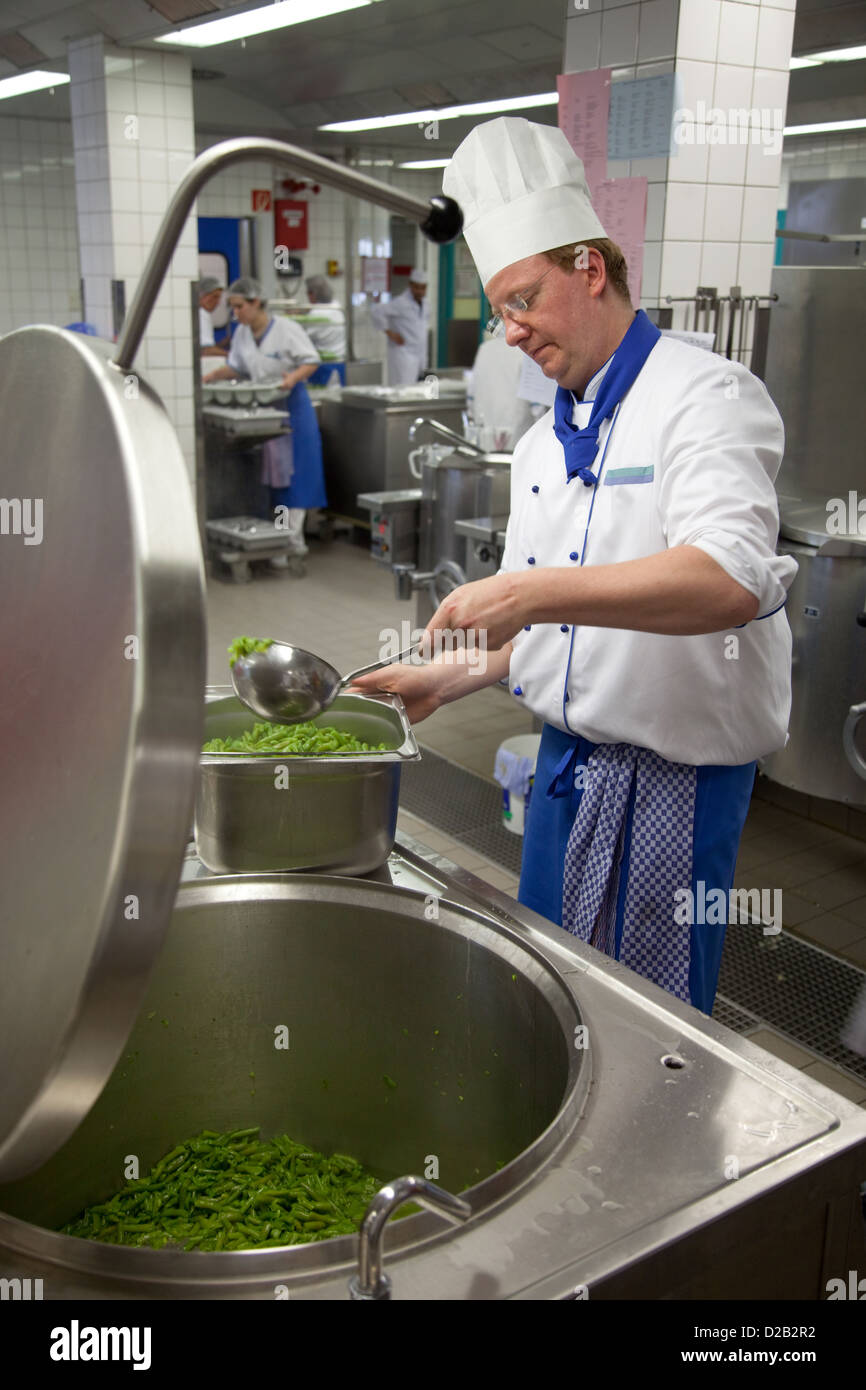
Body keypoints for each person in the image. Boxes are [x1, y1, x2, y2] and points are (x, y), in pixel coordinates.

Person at [351, 117, 796, 1015]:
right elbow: (562, 629)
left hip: (673, 782)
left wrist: (524, 591)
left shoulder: (704, 396)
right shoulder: (546, 438)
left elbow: (729, 579)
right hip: (562, 772)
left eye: (522, 300)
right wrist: (456, 675)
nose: (509, 331)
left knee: (650, 1025)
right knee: (556, 1003)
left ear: (590, 267)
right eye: (501, 307)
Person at [203, 277, 327, 570]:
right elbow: (236, 367)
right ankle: (275, 538)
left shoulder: (286, 330)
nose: (236, 313)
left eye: (239, 306)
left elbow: (312, 360)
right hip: (263, 410)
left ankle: (292, 543)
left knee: (294, 480)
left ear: (256, 302)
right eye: (232, 308)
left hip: (292, 410)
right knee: (273, 477)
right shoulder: (242, 334)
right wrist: (209, 378)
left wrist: (292, 379)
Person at [369, 267, 429, 386]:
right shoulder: (401, 303)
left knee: (416, 391)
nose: (420, 291)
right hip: (403, 355)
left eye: (423, 288)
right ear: (410, 285)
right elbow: (376, 311)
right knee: (401, 389)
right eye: (417, 287)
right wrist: (390, 333)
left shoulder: (426, 304)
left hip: (419, 355)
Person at [300, 275, 347, 384]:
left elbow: (303, 337)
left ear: (313, 294)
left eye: (308, 293)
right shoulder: (337, 306)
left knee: (322, 396)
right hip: (341, 363)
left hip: (324, 367)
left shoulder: (316, 314)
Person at [198, 277, 227, 357]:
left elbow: (205, 346)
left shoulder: (201, 313)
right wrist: (232, 357)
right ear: (202, 295)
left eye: (219, 298)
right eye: (215, 297)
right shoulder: (202, 314)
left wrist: (222, 343)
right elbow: (206, 351)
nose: (218, 302)